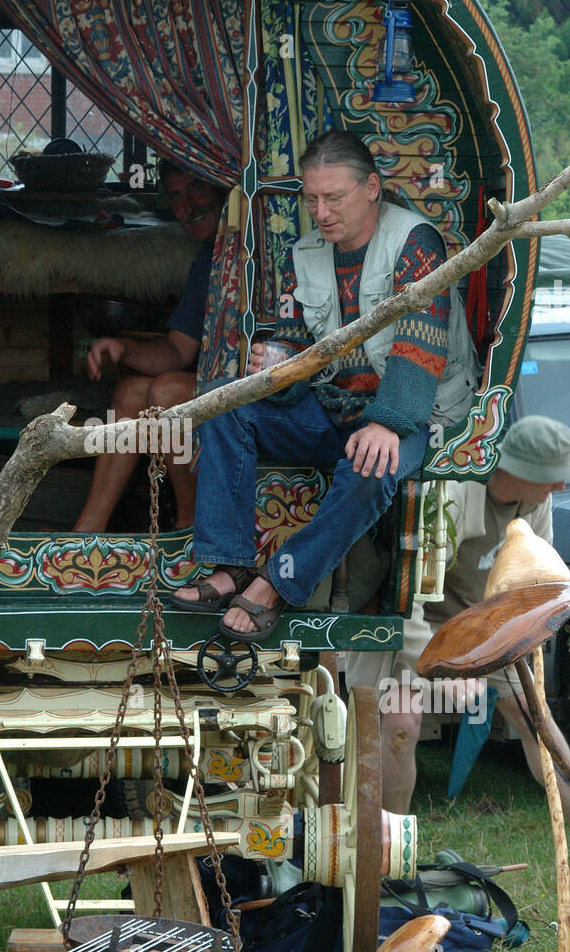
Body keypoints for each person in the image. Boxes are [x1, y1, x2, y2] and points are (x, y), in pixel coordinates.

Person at [171, 128, 480, 632]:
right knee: (223, 404)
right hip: (337, 406)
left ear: (371, 189)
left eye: (334, 198)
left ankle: (277, 583)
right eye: (312, 199)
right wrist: (277, 360)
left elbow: (419, 348)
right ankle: (229, 566)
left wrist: (389, 422)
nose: (322, 211)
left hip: (416, 413)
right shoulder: (306, 253)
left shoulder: (416, 241)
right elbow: (297, 346)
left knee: (373, 463)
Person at [345, 415, 570, 816]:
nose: (560, 486)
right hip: (418, 629)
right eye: (552, 476)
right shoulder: (449, 491)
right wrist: (441, 668)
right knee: (400, 724)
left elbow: (535, 584)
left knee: (539, 725)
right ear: (519, 469)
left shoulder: (538, 503)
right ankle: (391, 851)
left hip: (485, 627)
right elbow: (408, 600)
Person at [74, 162, 227, 532]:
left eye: (197, 190)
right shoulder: (209, 257)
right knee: (131, 389)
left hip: (266, 394)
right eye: (176, 196)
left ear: (225, 189)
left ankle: (190, 526)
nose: (187, 206)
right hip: (216, 385)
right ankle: (86, 532)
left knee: (167, 391)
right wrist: (123, 349)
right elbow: (178, 351)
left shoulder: (256, 248)